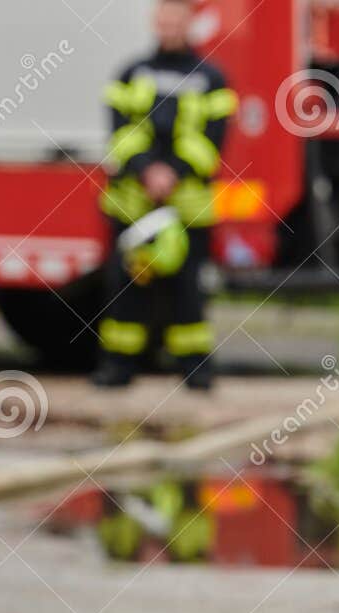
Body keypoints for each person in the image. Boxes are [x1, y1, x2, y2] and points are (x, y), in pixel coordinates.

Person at [95, 0, 235, 392]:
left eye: (177, 20)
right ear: (155, 22)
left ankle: (195, 369)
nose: (170, 27)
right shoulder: (132, 72)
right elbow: (120, 132)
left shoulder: (211, 78)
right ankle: (117, 366)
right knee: (127, 288)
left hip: (187, 209)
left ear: (191, 23)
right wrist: (146, 170)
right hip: (133, 205)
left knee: (188, 291)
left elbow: (213, 138)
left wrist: (173, 171)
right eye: (164, 19)